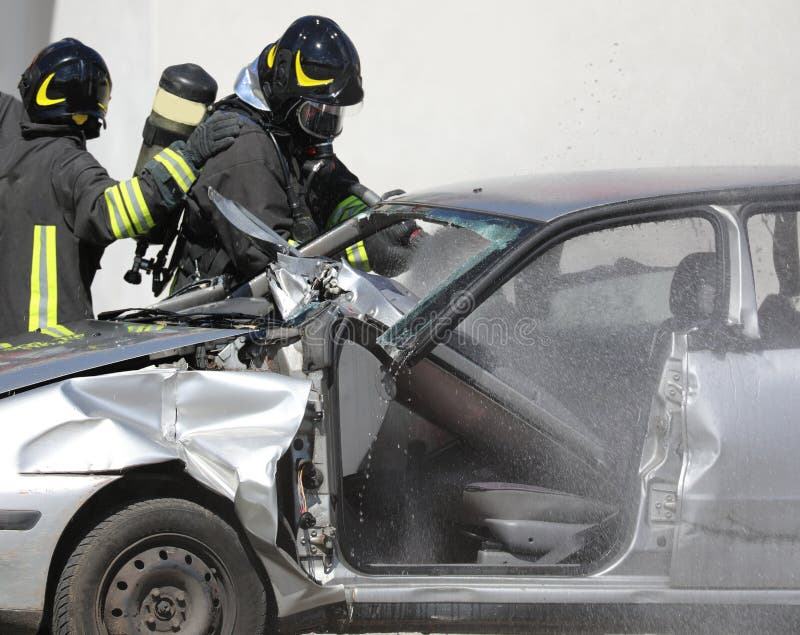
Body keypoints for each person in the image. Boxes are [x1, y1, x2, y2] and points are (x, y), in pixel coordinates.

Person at [0, 38, 241, 338]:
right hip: (45, 353)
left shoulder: (7, 128)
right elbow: (119, 211)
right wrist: (189, 157)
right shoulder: (68, 166)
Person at [170, 15, 417, 292]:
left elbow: (334, 192)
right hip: (214, 324)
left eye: (333, 116)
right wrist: (364, 249)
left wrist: (377, 221)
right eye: (316, 114)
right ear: (287, 97)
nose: (324, 128)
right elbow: (278, 264)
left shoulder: (290, 134)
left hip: (265, 322)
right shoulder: (244, 148)